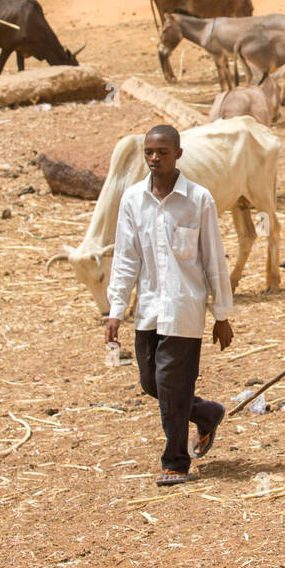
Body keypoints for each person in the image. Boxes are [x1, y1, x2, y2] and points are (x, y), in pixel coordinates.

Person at [105, 125, 234, 487]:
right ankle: (207, 413)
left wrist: (221, 315)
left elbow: (214, 261)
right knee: (152, 384)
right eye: (148, 152)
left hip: (184, 310)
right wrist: (116, 311)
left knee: (170, 388)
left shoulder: (198, 200)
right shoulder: (132, 200)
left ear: (178, 154)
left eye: (162, 152)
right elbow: (126, 260)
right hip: (148, 311)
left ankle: (175, 462)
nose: (154, 158)